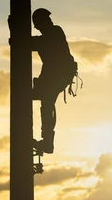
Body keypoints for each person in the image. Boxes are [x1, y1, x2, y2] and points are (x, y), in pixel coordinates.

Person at [31, 8, 77, 154]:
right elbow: (35, 43)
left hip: (59, 75)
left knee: (47, 103)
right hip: (55, 75)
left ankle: (47, 142)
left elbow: (40, 42)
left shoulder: (55, 32)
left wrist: (19, 40)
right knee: (47, 103)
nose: (49, 22)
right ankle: (47, 142)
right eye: (46, 20)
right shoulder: (48, 36)